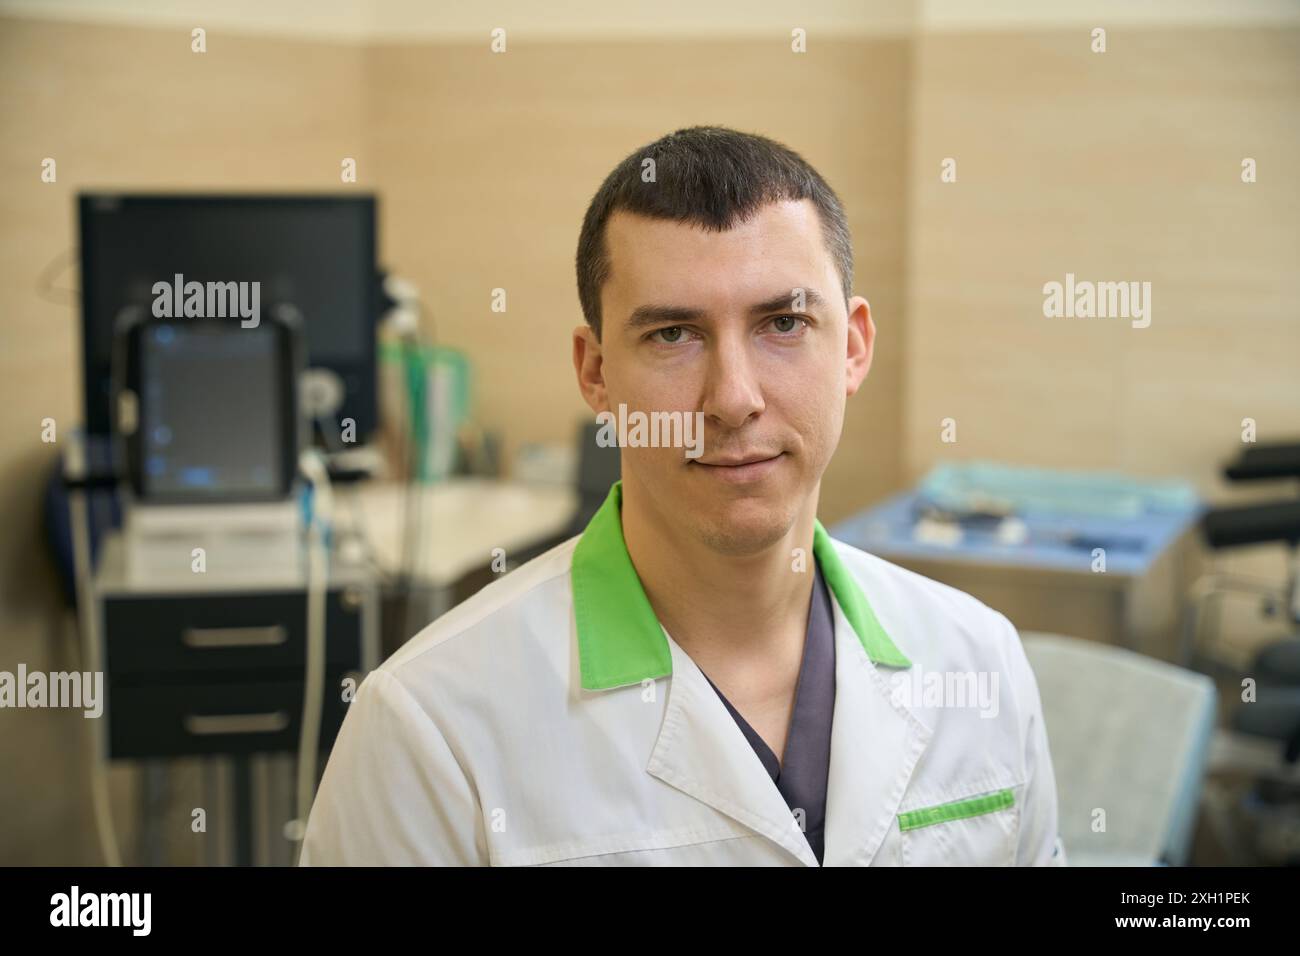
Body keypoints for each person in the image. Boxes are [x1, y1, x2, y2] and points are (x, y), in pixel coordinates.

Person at [301, 126, 1066, 866]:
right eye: (673, 335)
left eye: (784, 323)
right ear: (596, 374)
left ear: (854, 348)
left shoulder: (979, 660)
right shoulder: (429, 727)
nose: (733, 400)